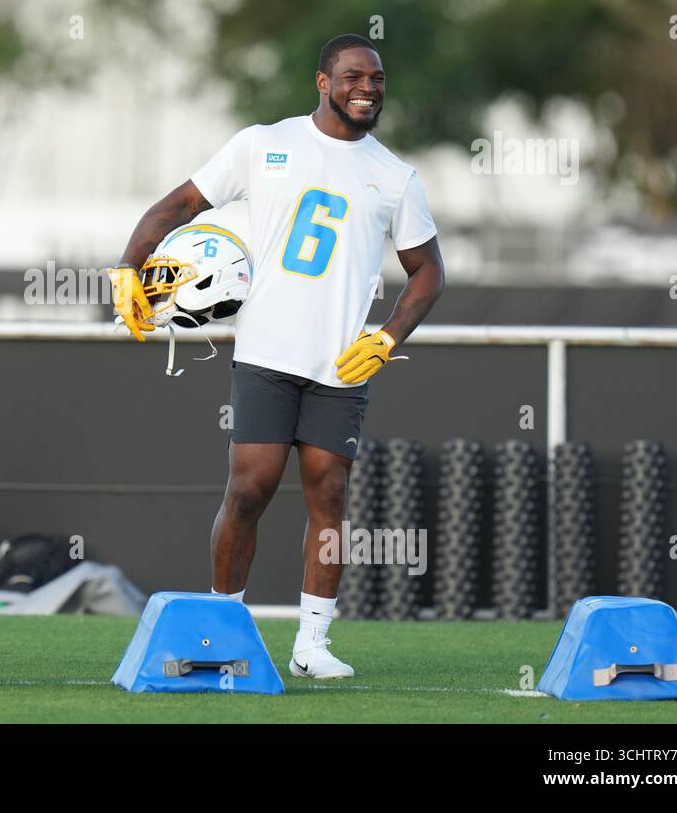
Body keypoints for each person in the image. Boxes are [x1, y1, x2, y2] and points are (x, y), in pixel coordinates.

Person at [108, 34, 445, 679]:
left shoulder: (395, 177)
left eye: (377, 79)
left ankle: (312, 643)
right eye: (353, 77)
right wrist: (129, 269)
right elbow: (179, 205)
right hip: (265, 353)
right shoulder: (263, 144)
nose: (367, 89)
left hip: (340, 365)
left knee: (330, 492)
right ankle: (224, 623)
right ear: (323, 81)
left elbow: (428, 270)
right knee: (248, 488)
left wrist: (388, 337)